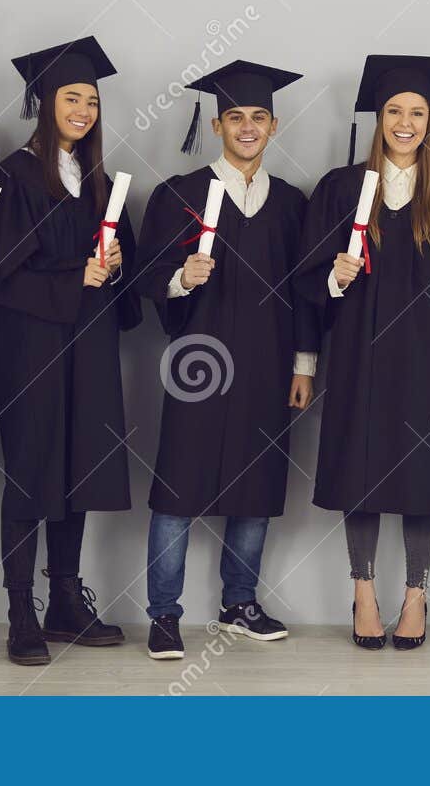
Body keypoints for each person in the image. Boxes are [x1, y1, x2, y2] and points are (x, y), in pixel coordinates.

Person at [131, 61, 321, 661]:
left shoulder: (291, 203)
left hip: (269, 360)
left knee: (255, 485)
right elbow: (144, 275)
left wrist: (304, 365)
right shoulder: (179, 195)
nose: (247, 127)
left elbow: (306, 291)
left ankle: (239, 603)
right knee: (178, 488)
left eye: (258, 117)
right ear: (216, 126)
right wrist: (180, 278)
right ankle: (164, 615)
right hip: (199, 360)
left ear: (274, 125)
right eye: (235, 117)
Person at [294, 55, 430, 651]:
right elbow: (306, 281)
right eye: (394, 111)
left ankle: (417, 594)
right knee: (360, 465)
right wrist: (335, 277)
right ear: (378, 118)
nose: (405, 123)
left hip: (428, 350)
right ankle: (364, 592)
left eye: (417, 113)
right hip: (356, 349)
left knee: (420, 472)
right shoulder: (339, 189)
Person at [0, 37, 141, 666]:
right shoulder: (12, 175)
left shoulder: (99, 182)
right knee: (32, 470)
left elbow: (119, 274)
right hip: (32, 348)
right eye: (71, 98)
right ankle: (21, 611)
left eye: (91, 101)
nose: (83, 110)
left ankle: (66, 601)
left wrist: (115, 264)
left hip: (89, 343)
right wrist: (76, 277)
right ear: (44, 103)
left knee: (78, 466)